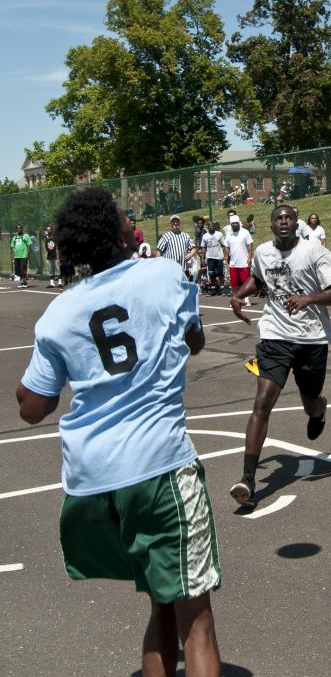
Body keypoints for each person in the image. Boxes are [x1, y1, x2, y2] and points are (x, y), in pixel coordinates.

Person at [15, 186, 221, 675]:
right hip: (159, 465)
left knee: (158, 601)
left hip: (93, 480)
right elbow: (195, 340)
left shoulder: (59, 312)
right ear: (117, 233)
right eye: (124, 218)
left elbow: (31, 407)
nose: (133, 222)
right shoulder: (164, 275)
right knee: (197, 618)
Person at [228, 205, 331, 508]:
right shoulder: (264, 252)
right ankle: (248, 480)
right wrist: (239, 295)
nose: (283, 222)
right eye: (278, 219)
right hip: (275, 336)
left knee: (309, 399)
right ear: (271, 225)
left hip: (312, 338)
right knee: (262, 401)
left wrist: (310, 298)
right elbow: (258, 279)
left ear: (297, 223)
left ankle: (318, 408)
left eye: (288, 218)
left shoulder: (313, 252)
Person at [224, 215, 254, 306]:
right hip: (233, 263)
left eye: (236, 223)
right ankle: (235, 300)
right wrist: (226, 258)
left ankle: (246, 300)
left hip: (244, 263)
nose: (235, 225)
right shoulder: (228, 234)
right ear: (231, 224)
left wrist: (249, 257)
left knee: (246, 283)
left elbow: (250, 245)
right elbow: (226, 247)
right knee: (234, 284)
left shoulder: (245, 232)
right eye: (233, 223)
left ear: (239, 223)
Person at [202, 219, 225, 296]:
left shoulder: (219, 234)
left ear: (214, 226)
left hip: (219, 257)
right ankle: (213, 289)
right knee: (212, 274)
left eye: (212, 225)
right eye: (209, 226)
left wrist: (225, 256)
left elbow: (223, 245)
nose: (211, 227)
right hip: (210, 258)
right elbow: (203, 248)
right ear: (207, 227)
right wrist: (202, 258)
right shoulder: (205, 236)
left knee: (221, 274)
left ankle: (222, 289)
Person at [42, 224, 62, 288]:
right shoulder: (46, 238)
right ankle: (52, 283)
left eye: (49, 229)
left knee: (58, 269)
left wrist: (58, 257)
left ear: (52, 230)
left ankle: (59, 283)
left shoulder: (55, 238)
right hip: (49, 256)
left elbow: (57, 248)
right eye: (47, 230)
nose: (48, 231)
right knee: (51, 270)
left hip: (55, 256)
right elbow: (46, 248)